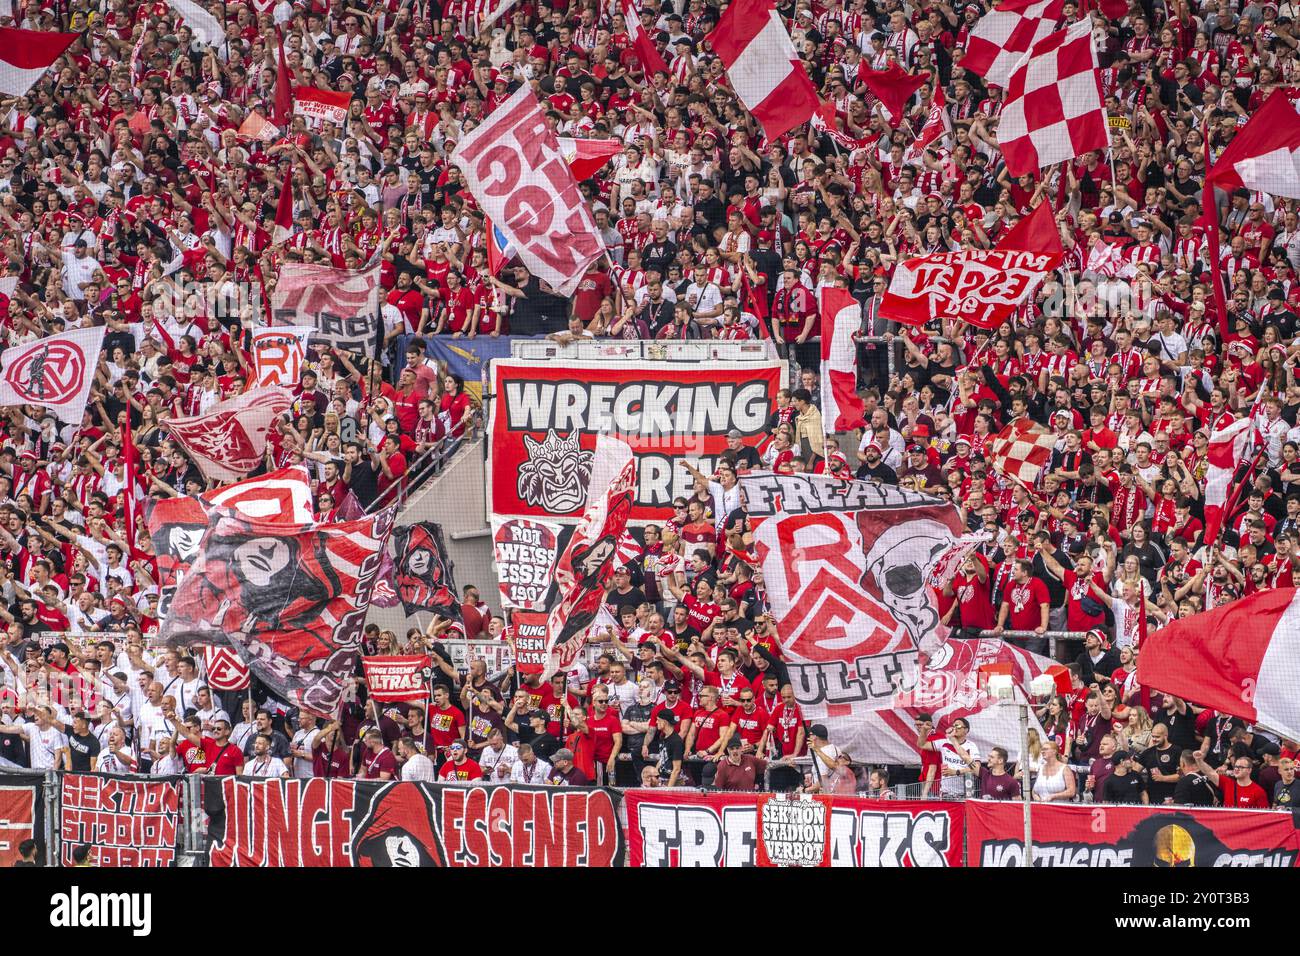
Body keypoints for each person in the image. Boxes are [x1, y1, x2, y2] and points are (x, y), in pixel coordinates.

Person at [1194, 749, 1269, 809]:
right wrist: (1199, 760)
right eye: (1236, 766)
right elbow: (1210, 773)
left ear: (1249, 770)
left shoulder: (1258, 792)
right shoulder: (1228, 783)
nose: (1236, 769)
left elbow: (1265, 815)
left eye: (1241, 767)